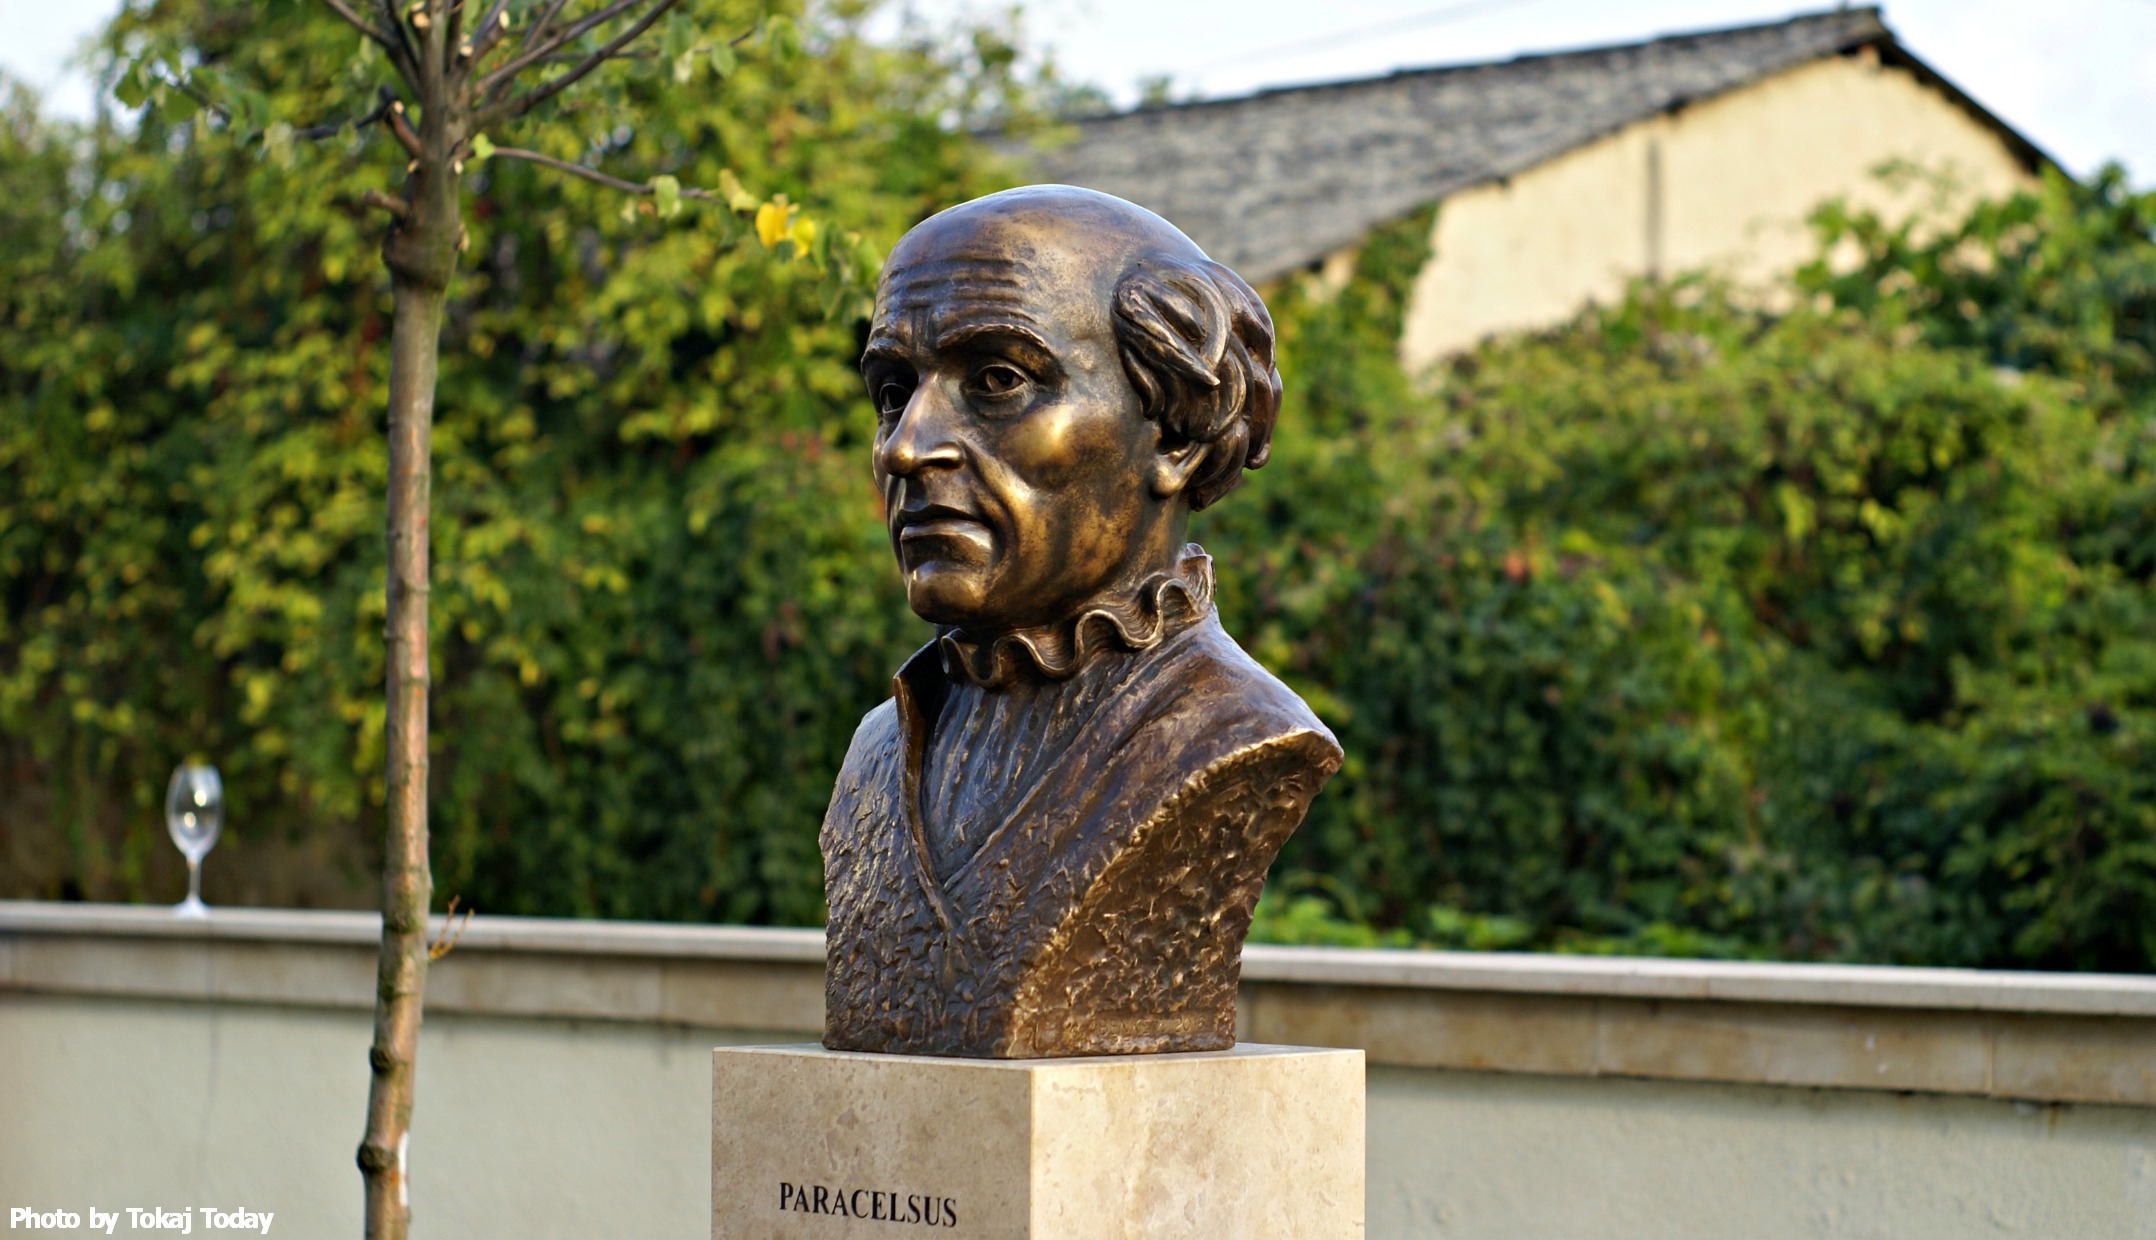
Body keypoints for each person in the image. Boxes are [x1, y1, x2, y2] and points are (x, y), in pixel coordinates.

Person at [821, 185, 1341, 1058]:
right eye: (894, 390)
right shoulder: (879, 753)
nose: (907, 445)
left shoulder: (1238, 734)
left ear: (1176, 433)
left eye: (998, 381)